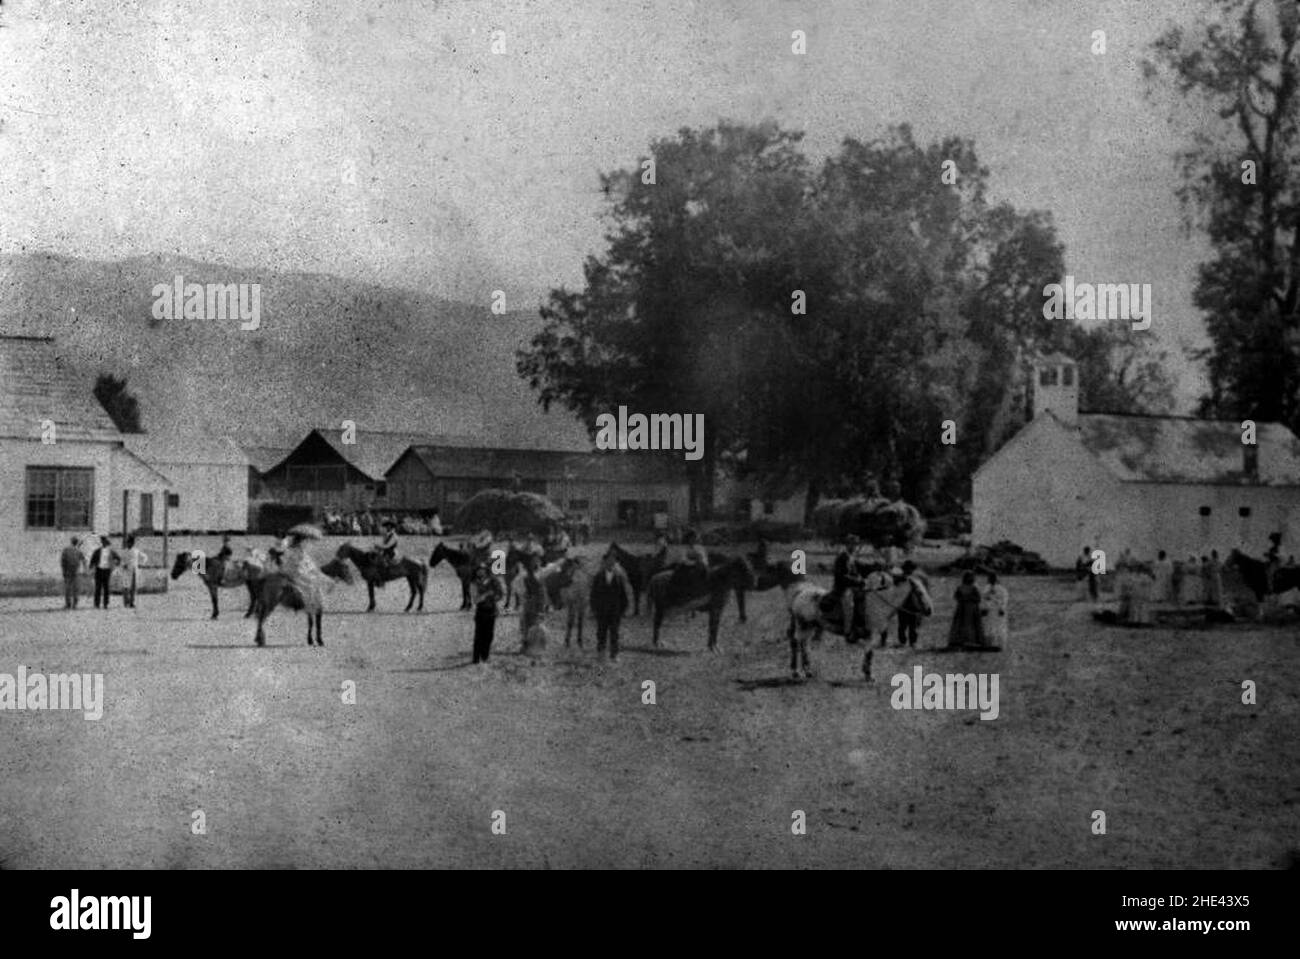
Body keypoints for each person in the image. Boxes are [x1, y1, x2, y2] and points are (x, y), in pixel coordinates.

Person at [589, 550, 634, 661]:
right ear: (604, 562)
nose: (610, 563)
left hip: (615, 610)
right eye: (608, 560)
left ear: (615, 563)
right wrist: (594, 608)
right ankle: (601, 653)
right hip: (602, 610)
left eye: (613, 561)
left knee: (614, 632)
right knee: (601, 632)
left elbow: (623, 595)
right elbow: (593, 594)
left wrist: (623, 609)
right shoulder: (598, 576)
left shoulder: (619, 577)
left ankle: (614, 654)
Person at [829, 535, 865, 641]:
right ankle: (847, 631)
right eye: (851, 544)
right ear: (847, 545)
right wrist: (856, 581)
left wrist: (876, 566)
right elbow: (840, 576)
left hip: (854, 587)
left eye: (855, 544)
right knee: (849, 605)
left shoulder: (852, 556)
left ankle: (861, 626)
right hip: (843, 587)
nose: (853, 546)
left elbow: (861, 567)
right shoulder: (842, 557)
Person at [470, 564, 505, 664]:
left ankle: (485, 656)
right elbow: (476, 600)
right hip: (481, 611)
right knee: (478, 635)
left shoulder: (493, 581)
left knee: (489, 635)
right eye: (479, 570)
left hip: (491, 610)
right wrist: (486, 594)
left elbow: (500, 595)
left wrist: (495, 596)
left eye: (482, 570)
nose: (480, 572)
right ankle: (476, 658)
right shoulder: (474, 583)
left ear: (486, 571)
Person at [896, 560, 932, 648]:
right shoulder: (900, 578)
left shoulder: (919, 578)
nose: (907, 571)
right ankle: (903, 641)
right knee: (902, 625)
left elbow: (924, 591)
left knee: (914, 625)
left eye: (909, 569)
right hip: (903, 604)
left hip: (914, 604)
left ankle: (913, 641)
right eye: (906, 569)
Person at [947, 571, 984, 648]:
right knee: (965, 624)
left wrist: (965, 598)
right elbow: (957, 597)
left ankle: (969, 640)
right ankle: (964, 640)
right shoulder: (968, 588)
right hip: (967, 609)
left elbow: (978, 598)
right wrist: (967, 598)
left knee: (968, 624)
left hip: (967, 608)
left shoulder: (971, 588)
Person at [518, 556, 546, 647]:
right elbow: (522, 588)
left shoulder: (542, 573)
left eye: (537, 562)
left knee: (537, 620)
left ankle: (538, 643)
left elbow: (543, 589)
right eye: (533, 562)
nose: (535, 564)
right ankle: (525, 640)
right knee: (526, 620)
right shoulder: (526, 574)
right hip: (529, 600)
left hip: (539, 600)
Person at [981, 571, 1008, 647]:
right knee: (989, 626)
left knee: (999, 626)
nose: (991, 580)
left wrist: (1002, 608)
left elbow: (1004, 599)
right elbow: (983, 599)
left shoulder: (1002, 589)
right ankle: (989, 643)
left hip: (998, 610)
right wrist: (984, 608)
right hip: (989, 610)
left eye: (993, 579)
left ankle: (999, 644)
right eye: (990, 579)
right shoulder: (986, 588)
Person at [89, 535, 117, 610]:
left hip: (107, 571)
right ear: (102, 543)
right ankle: (97, 604)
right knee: (98, 588)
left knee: (106, 588)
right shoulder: (97, 551)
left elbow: (118, 558)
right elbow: (93, 559)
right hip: (99, 570)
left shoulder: (111, 551)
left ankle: (105, 603)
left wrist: (114, 565)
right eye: (102, 542)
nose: (103, 543)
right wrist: (91, 566)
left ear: (107, 543)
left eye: (105, 542)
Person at [121, 535, 147, 609]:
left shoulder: (136, 550)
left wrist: (141, 564)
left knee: (133, 587)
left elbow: (144, 557)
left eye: (130, 542)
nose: (129, 544)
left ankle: (132, 602)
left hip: (134, 570)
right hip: (126, 571)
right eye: (128, 542)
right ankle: (126, 602)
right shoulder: (124, 551)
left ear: (132, 543)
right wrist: (123, 564)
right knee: (125, 586)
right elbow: (121, 560)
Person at [59, 536, 85, 609]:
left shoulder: (66, 550)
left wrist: (63, 571)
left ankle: (68, 604)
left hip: (68, 571)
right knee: (75, 588)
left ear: (71, 541)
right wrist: (84, 570)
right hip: (75, 571)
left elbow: (62, 561)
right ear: (76, 542)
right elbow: (83, 560)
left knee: (68, 588)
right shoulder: (78, 551)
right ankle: (74, 604)